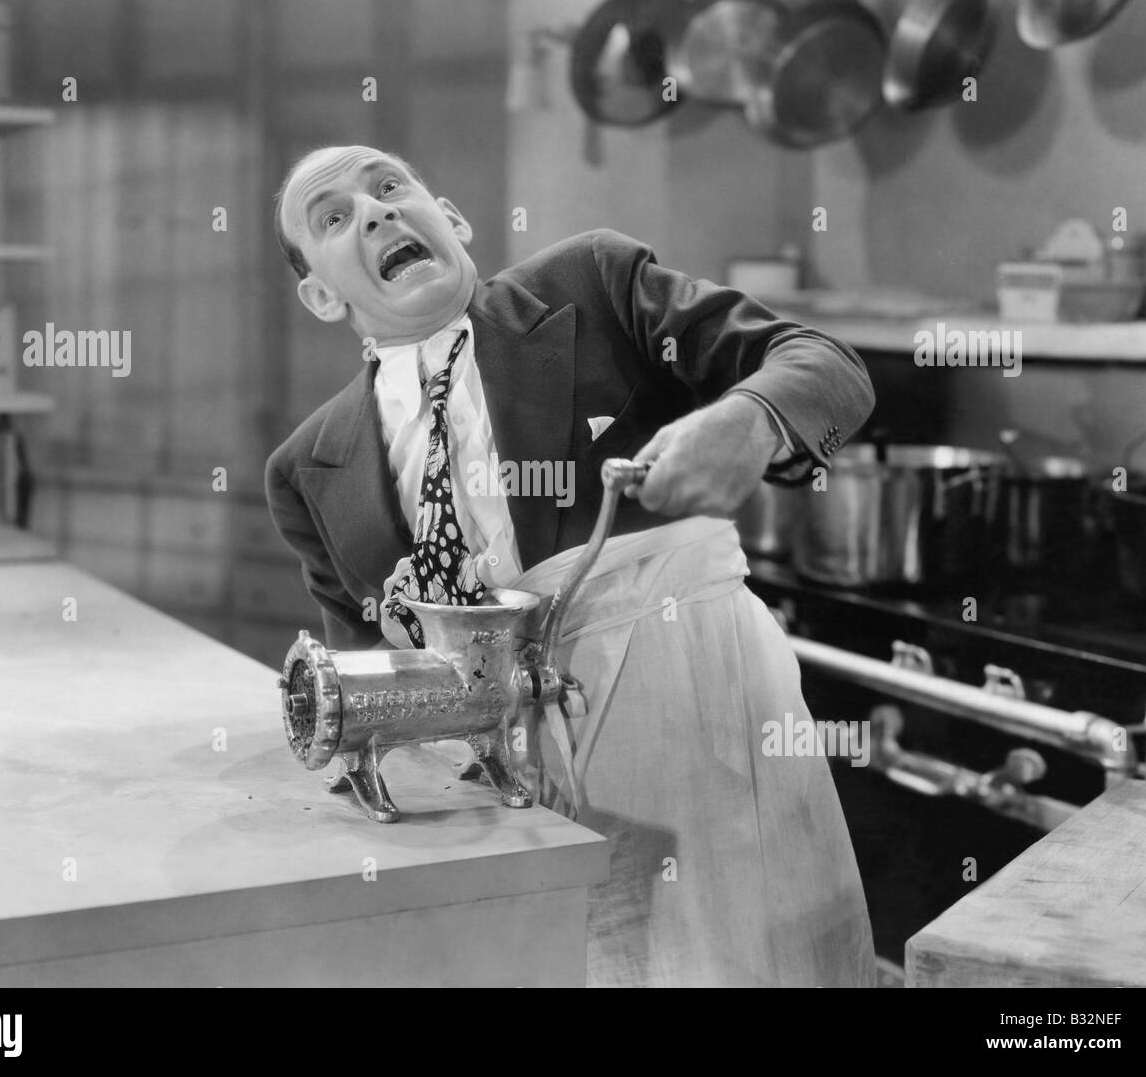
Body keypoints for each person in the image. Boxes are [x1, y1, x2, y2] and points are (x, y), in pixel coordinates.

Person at [265, 144, 877, 987]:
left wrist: (750, 418)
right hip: (495, 808)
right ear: (321, 294)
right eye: (333, 217)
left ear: (452, 219)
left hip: (697, 727)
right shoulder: (307, 470)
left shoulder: (591, 284)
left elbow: (826, 365)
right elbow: (365, 700)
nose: (375, 212)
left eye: (391, 186)